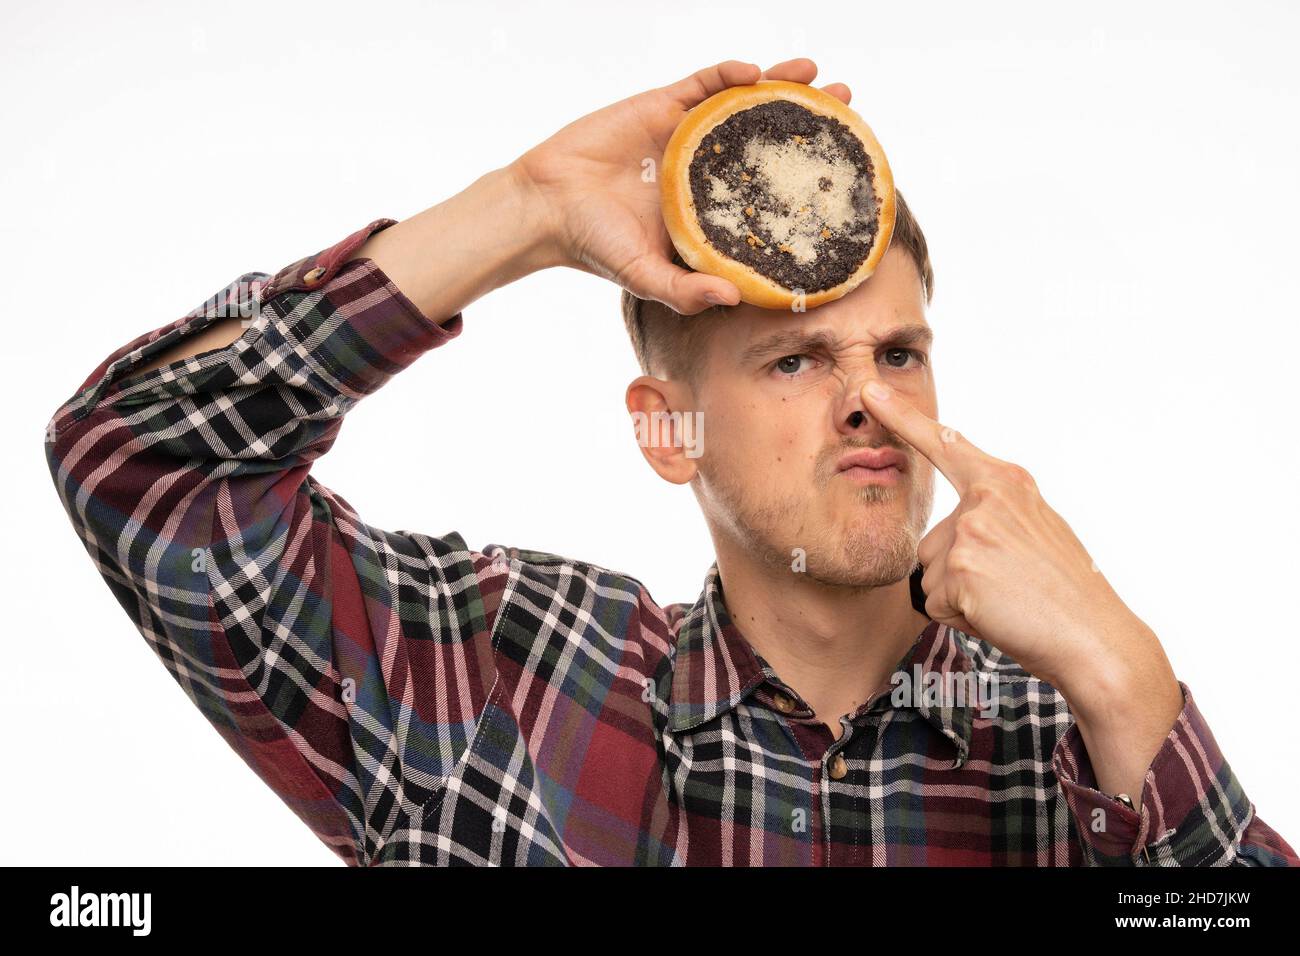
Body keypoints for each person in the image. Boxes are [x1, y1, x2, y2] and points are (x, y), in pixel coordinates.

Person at [45, 57, 1296, 866]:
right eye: (797, 361)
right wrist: (525, 207)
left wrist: (1131, 684)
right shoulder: (500, 682)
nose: (871, 404)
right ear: (665, 428)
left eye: (899, 354)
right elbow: (140, 466)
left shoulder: (1076, 753)